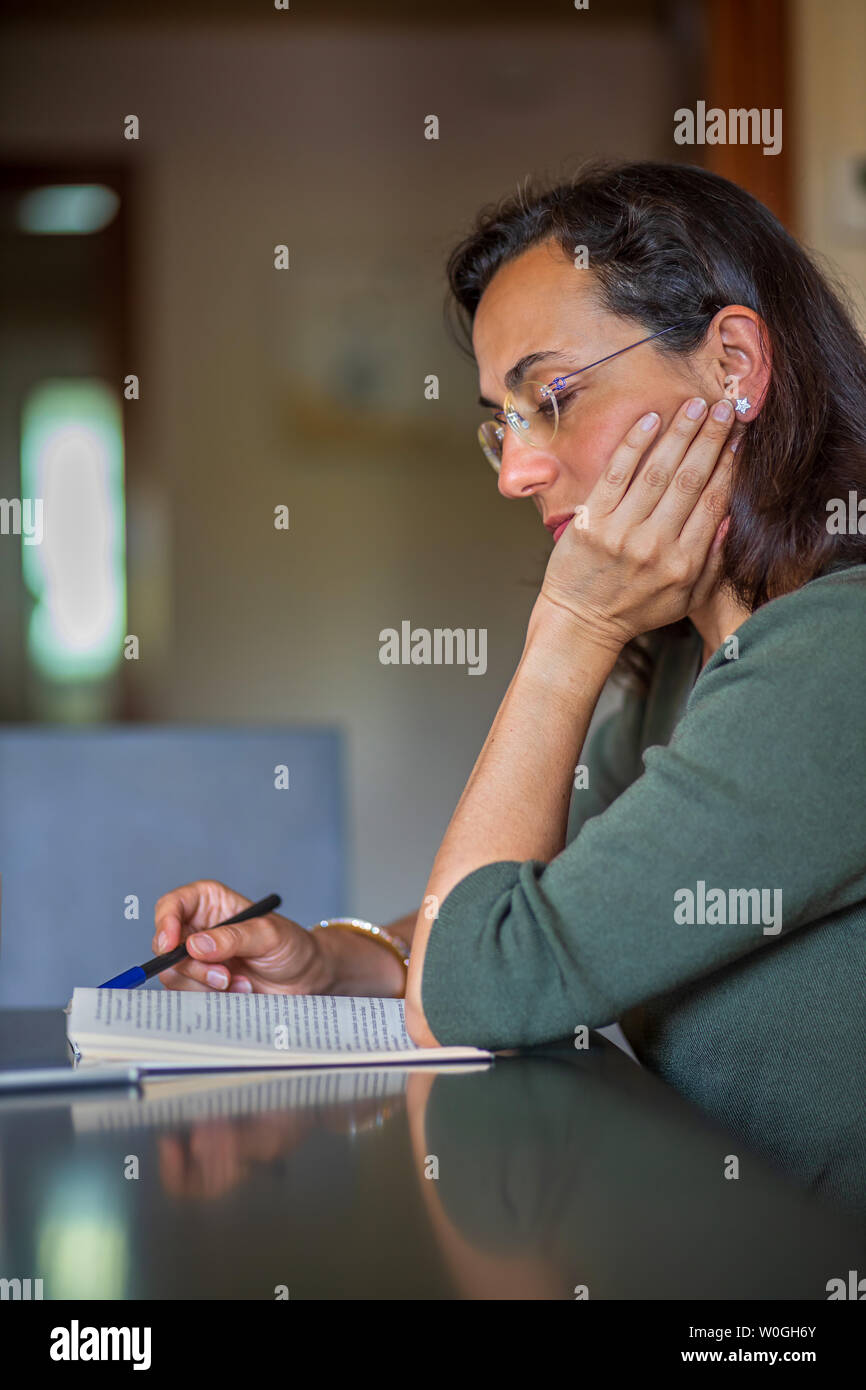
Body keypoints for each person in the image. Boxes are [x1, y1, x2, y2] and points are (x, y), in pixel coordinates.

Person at [154, 162, 866, 1209]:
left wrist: (568, 630)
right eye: (502, 421)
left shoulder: (830, 664)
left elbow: (469, 992)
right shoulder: (686, 662)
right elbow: (539, 912)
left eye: (553, 398)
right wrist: (336, 957)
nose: (513, 471)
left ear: (729, 363)